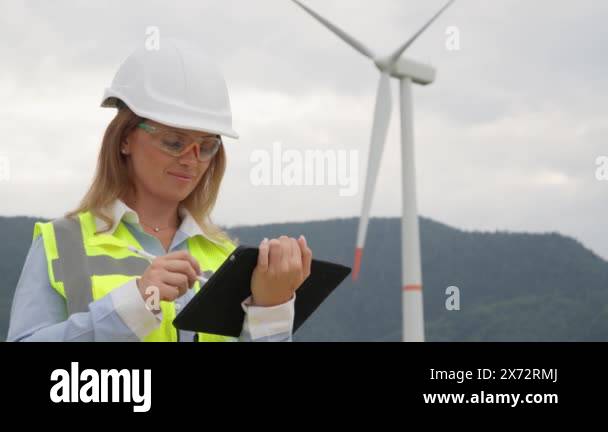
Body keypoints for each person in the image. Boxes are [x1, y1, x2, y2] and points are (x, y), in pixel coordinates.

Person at [7, 38, 312, 342]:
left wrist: (271, 310)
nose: (191, 160)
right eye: (174, 142)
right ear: (125, 138)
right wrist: (134, 306)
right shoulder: (63, 245)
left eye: (206, 147)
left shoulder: (225, 259)